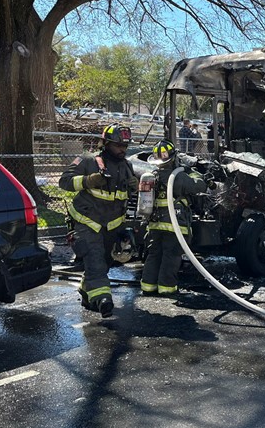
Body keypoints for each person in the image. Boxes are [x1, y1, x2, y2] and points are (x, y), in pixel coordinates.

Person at [58, 124, 140, 318]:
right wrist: (89, 180)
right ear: (105, 143)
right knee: (95, 261)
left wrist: (134, 187)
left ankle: (87, 293)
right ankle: (104, 301)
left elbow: (126, 197)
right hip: (87, 222)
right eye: (118, 145)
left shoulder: (127, 165)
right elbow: (64, 181)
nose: (122, 149)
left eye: (125, 146)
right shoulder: (87, 160)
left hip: (112, 226)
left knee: (103, 263)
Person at [139, 139, 208, 297]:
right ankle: (167, 288)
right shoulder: (179, 177)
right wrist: (194, 172)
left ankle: (148, 287)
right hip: (174, 224)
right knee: (171, 256)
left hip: (154, 224)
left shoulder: (152, 176)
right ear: (173, 157)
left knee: (154, 254)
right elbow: (199, 186)